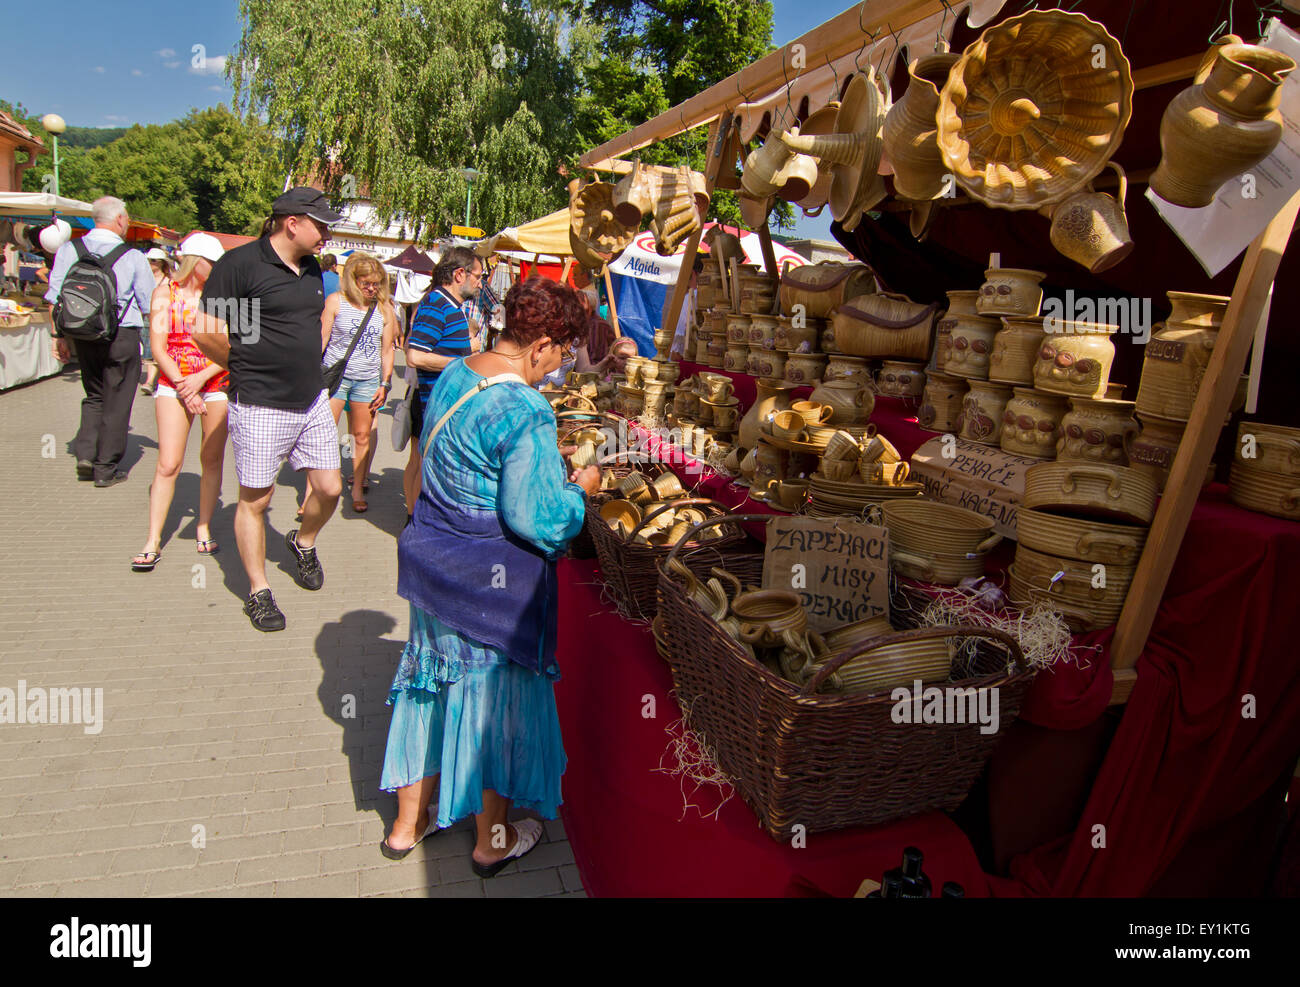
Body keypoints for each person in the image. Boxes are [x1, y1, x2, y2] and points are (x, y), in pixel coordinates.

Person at [381, 277, 601, 875]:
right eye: (560, 356)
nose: (556, 372)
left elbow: (427, 461)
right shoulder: (524, 407)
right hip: (489, 580)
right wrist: (580, 491)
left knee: (427, 685)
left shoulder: (455, 371)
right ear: (543, 344)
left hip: (431, 562)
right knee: (488, 705)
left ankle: (406, 825)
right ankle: (491, 841)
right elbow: (540, 521)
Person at [192, 187, 345, 632]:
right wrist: (246, 364)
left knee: (331, 488)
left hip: (312, 396)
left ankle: (303, 541)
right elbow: (208, 333)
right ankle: (259, 592)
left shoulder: (312, 267)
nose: (327, 234)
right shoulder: (239, 266)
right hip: (260, 402)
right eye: (321, 225)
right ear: (291, 222)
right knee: (256, 500)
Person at [131, 233, 228, 572]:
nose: (215, 270)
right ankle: (153, 539)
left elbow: (236, 348)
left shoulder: (223, 298)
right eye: (211, 263)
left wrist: (201, 380)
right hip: (174, 383)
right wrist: (185, 386)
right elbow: (158, 347)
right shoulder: (164, 293)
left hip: (215, 382)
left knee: (211, 459)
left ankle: (203, 525)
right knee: (168, 463)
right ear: (194, 261)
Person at [46, 196, 156, 487]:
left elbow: (54, 299)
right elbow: (148, 303)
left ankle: (85, 454)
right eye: (127, 218)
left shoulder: (70, 249)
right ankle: (105, 467)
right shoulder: (132, 256)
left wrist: (59, 337)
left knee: (93, 394)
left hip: (83, 334)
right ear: (119, 219)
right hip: (121, 334)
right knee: (118, 400)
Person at [298, 251, 397, 515]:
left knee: (361, 436)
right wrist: (308, 373)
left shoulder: (385, 309)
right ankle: (312, 492)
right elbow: (321, 339)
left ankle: (355, 489)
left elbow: (388, 351)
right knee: (324, 435)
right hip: (334, 378)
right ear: (354, 281)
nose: (372, 288)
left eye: (376, 283)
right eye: (366, 283)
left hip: (366, 380)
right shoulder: (336, 302)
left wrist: (385, 383)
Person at [401, 246, 483, 522]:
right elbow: (415, 355)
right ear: (460, 274)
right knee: (430, 472)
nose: (480, 283)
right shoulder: (437, 304)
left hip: (444, 406)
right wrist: (462, 363)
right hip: (435, 407)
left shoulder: (452, 306)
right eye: (478, 276)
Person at [139, 247, 172, 395]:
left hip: (162, 318)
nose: (150, 263)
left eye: (153, 261)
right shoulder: (142, 278)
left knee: (155, 348)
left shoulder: (169, 280)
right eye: (148, 260)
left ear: (161, 263)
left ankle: (150, 381)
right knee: (148, 349)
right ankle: (155, 378)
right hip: (145, 317)